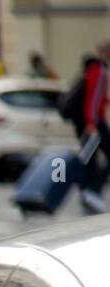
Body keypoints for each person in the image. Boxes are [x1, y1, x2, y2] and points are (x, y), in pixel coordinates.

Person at [74, 42, 110, 214]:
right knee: (92, 159)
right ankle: (92, 191)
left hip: (90, 121)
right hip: (95, 122)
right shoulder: (101, 71)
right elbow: (94, 99)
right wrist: (91, 122)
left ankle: (88, 193)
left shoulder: (92, 69)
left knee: (89, 159)